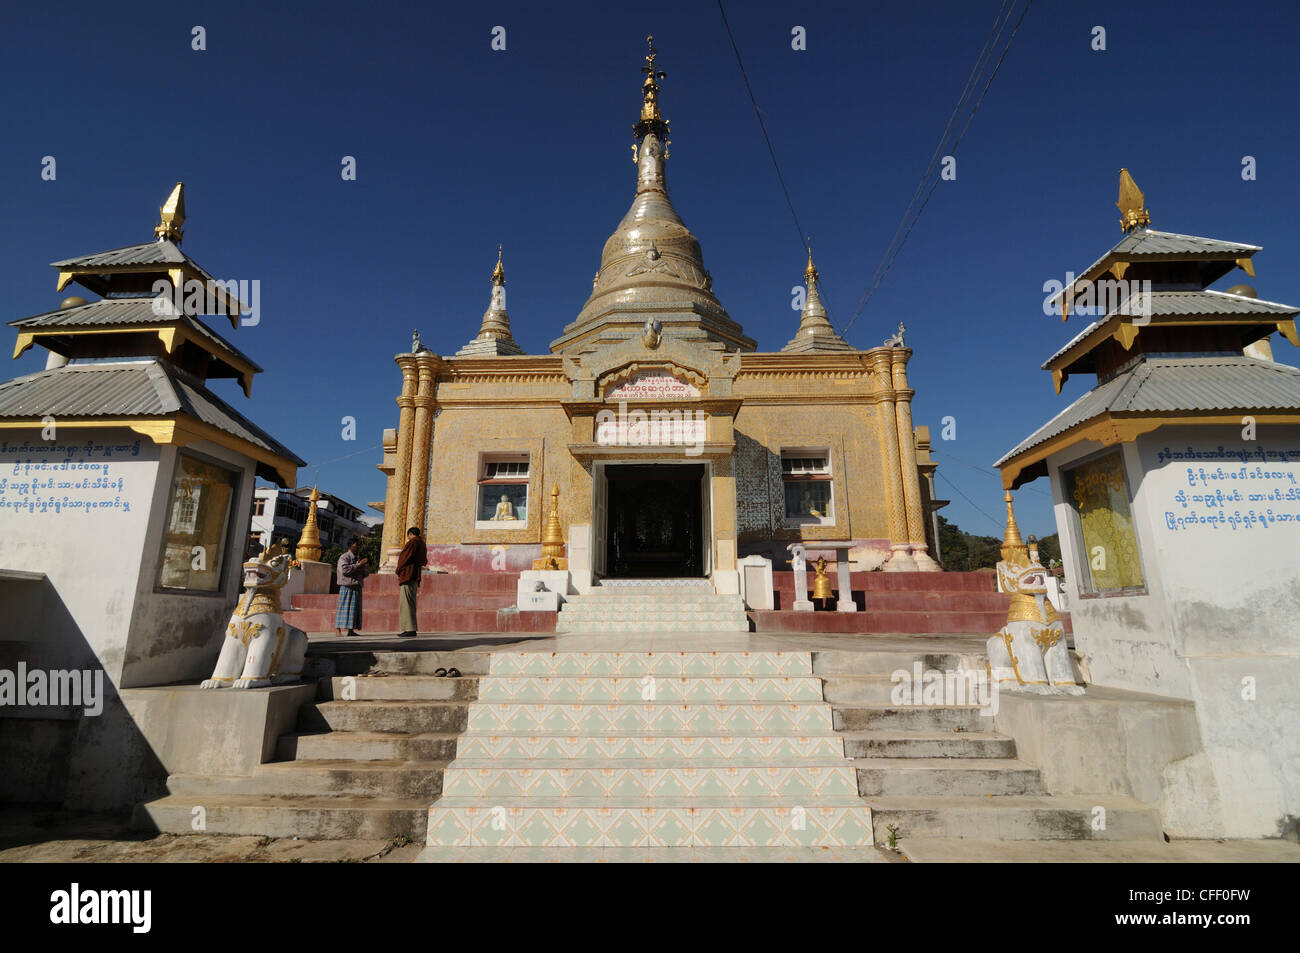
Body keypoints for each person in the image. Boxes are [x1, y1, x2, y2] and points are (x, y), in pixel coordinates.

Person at [395, 526, 427, 638]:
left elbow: (404, 558)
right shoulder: (422, 544)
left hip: (408, 575)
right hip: (415, 575)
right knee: (411, 602)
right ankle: (409, 628)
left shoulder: (412, 542)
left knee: (406, 603)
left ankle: (409, 629)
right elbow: (424, 560)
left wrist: (398, 569)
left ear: (410, 534)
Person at [334, 537, 369, 637]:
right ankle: (337, 629)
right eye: (357, 545)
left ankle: (351, 630)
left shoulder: (358, 558)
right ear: (351, 546)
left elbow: (366, 573)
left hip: (356, 585)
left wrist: (364, 569)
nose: (359, 547)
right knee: (343, 608)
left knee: (354, 610)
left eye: (359, 545)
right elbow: (344, 570)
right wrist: (358, 566)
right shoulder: (344, 557)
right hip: (347, 586)